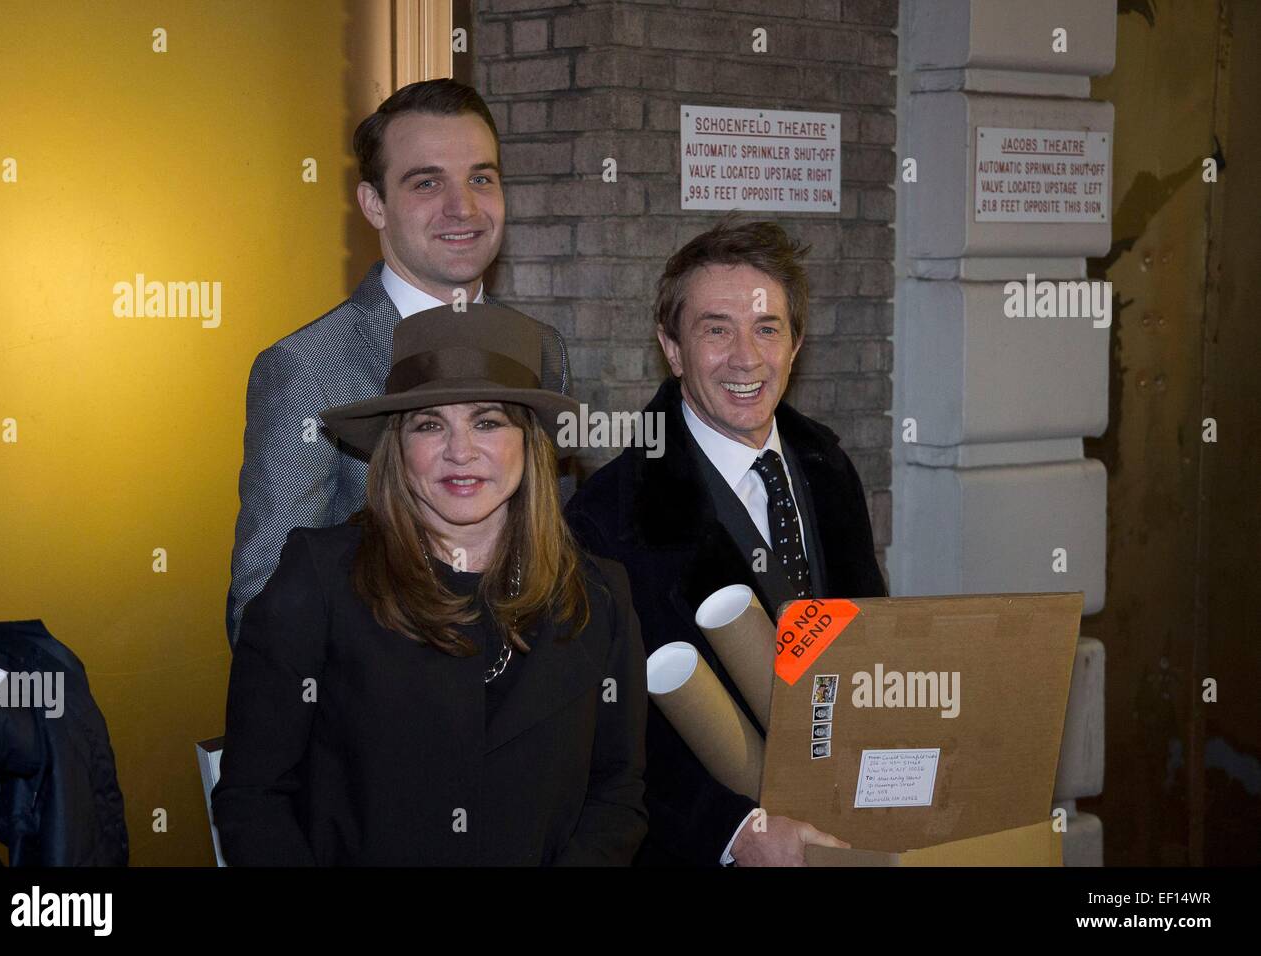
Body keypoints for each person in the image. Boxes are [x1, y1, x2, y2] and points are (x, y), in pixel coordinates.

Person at [212, 304, 646, 866]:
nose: (460, 451)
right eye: (430, 424)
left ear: (530, 441)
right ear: (397, 447)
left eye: (487, 421)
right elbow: (254, 796)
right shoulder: (318, 581)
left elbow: (617, 795)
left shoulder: (597, 597)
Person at [564, 219, 887, 867]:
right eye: (716, 329)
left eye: (767, 328)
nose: (746, 357)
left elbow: (869, 642)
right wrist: (738, 833)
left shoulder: (830, 470)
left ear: (796, 344)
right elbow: (602, 736)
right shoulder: (607, 515)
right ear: (673, 348)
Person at [226, 78, 570, 646]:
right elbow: (265, 613)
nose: (463, 207)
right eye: (427, 182)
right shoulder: (307, 368)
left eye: (481, 178)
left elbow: (548, 550)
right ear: (374, 204)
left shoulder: (542, 347)